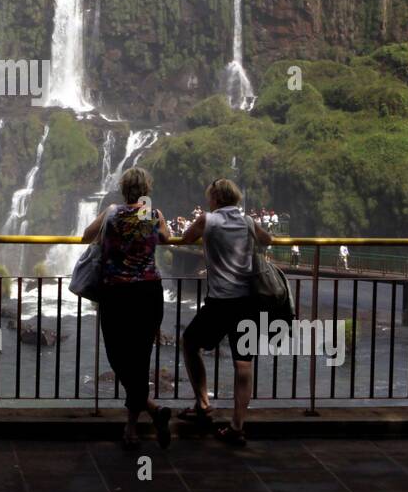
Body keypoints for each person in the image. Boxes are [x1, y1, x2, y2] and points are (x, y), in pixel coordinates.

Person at [171, 178, 271, 447]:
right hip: (247, 301)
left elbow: (185, 238)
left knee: (190, 344)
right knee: (243, 363)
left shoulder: (208, 220)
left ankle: (203, 404)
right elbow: (267, 240)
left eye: (210, 197)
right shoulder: (248, 222)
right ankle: (237, 426)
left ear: (215, 199)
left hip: (220, 300)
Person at [81, 167, 171, 449]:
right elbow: (167, 238)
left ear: (123, 187)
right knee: (140, 359)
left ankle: (137, 424)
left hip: (116, 293)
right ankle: (144, 418)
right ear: (146, 188)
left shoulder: (111, 213)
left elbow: (85, 236)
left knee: (118, 357)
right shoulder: (153, 214)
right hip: (148, 293)